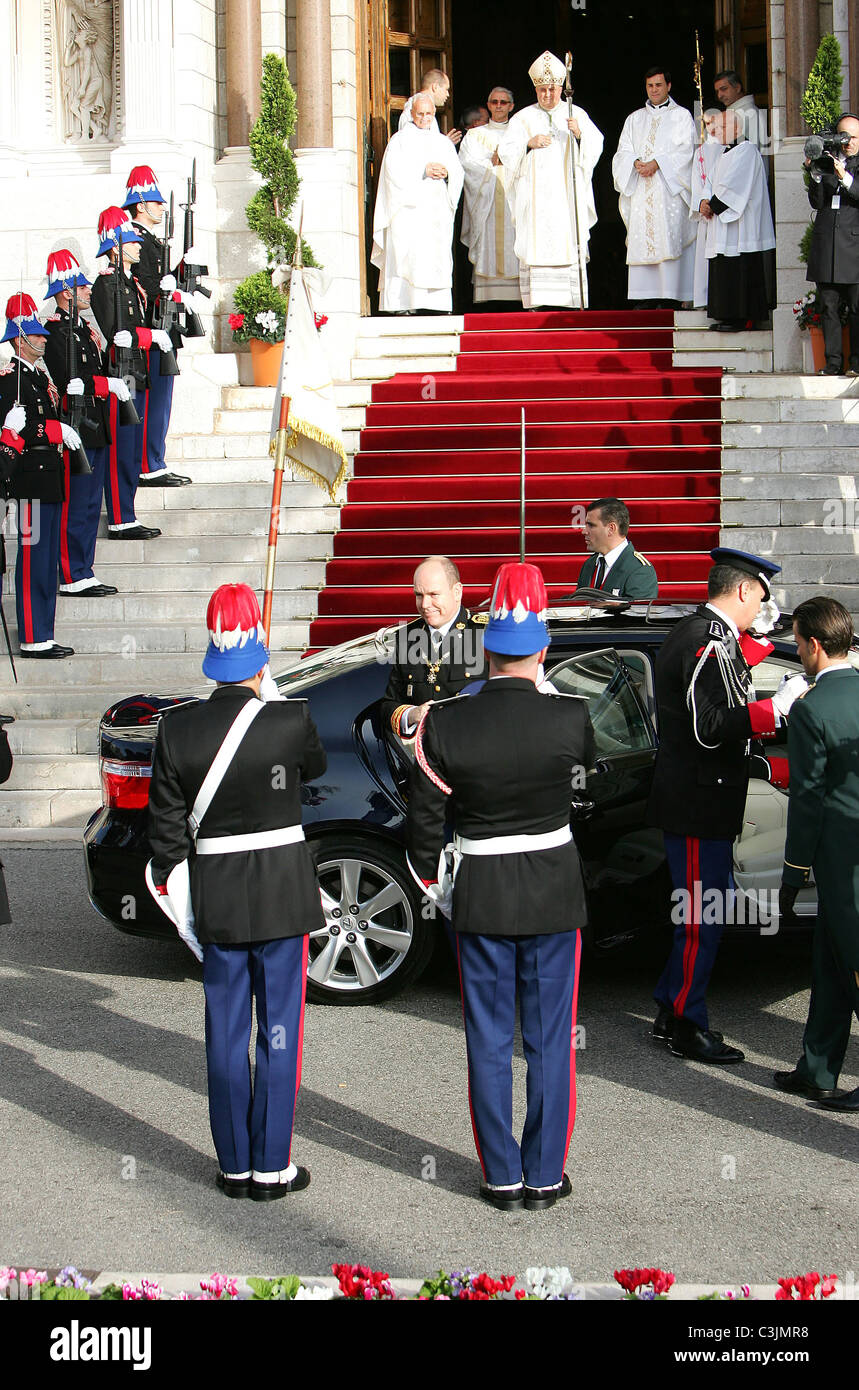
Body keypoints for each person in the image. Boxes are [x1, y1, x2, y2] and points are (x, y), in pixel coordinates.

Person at [406, 562, 594, 1211]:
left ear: (485, 647)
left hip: (481, 890)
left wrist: (435, 887)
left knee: (487, 1037)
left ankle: (501, 1176)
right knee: (550, 1040)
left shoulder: (445, 721)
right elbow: (585, 784)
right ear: (542, 649)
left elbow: (424, 825)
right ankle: (544, 1176)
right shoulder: (572, 715)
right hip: (551, 891)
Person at [147, 583, 327, 1198]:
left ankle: (233, 1165)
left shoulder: (176, 730)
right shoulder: (289, 718)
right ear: (259, 652)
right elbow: (317, 768)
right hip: (282, 894)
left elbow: (166, 838)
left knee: (225, 1032)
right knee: (279, 1032)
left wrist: (185, 909)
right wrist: (271, 696)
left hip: (220, 896)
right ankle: (271, 1164)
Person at [646, 548, 807, 1063]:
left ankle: (671, 1008)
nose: (762, 605)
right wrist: (771, 710)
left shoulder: (710, 636)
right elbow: (709, 725)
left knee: (699, 914)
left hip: (701, 798)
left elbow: (726, 674)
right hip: (699, 802)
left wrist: (762, 650)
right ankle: (688, 1026)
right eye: (761, 595)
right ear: (742, 591)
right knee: (702, 918)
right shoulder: (707, 641)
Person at [774, 596, 859, 1111]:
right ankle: (818, 1069)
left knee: (853, 961)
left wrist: (792, 872)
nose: (799, 651)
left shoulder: (810, 710)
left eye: (800, 642)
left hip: (838, 857)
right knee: (830, 963)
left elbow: (807, 799)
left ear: (816, 645)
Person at [42, 250, 122, 599]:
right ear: (65, 292)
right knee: (76, 503)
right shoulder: (55, 331)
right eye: (80, 285)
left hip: (95, 423)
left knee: (91, 504)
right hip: (76, 424)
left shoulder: (83, 328)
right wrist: (104, 386)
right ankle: (71, 571)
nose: (88, 290)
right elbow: (68, 378)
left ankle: (84, 568)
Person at [0, 293, 75, 658]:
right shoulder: (9, 379)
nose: (43, 337)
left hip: (49, 477)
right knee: (33, 559)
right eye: (35, 334)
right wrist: (56, 430)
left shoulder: (35, 376)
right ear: (19, 339)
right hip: (30, 480)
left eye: (43, 333)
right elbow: (18, 428)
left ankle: (44, 631)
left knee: (46, 562)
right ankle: (32, 633)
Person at [499, 52, 603, 309]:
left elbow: (595, 145)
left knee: (566, 239)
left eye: (553, 89)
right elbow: (505, 152)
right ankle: (538, 301)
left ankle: (570, 300)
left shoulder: (575, 113)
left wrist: (579, 135)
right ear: (535, 89)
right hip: (535, 199)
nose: (547, 95)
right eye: (542, 89)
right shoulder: (523, 118)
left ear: (561, 88)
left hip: (566, 197)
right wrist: (528, 144)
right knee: (536, 241)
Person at [90, 206, 169, 540]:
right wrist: (150, 337)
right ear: (115, 246)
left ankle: (128, 513)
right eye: (131, 242)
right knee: (121, 449)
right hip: (121, 373)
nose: (138, 246)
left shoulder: (129, 281)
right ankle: (120, 518)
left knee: (132, 445)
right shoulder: (107, 284)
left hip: (135, 372)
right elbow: (116, 332)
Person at [123, 165, 191, 488]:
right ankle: (149, 463)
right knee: (153, 402)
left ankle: (156, 458)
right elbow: (144, 285)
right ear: (140, 205)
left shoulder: (150, 240)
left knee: (162, 401)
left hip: (164, 331)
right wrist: (164, 286)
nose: (162, 207)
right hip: (152, 332)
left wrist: (181, 269)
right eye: (155, 202)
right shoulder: (135, 240)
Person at [371, 95, 464, 314]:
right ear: (411, 114)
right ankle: (404, 304)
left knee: (434, 255)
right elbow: (392, 174)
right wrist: (423, 171)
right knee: (408, 254)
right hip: (408, 210)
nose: (424, 118)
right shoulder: (399, 140)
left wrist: (448, 173)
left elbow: (458, 172)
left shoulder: (443, 142)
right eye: (420, 113)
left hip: (436, 210)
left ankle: (437, 303)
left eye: (429, 114)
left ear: (434, 114)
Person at [612, 67, 697, 306]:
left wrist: (658, 163)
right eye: (650, 86)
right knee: (643, 238)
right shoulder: (634, 118)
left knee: (667, 236)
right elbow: (622, 151)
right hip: (641, 188)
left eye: (659, 85)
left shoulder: (681, 116)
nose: (654, 90)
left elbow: (686, 150)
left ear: (668, 86)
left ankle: (670, 296)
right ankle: (645, 297)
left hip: (666, 190)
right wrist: (635, 162)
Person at [381, 555, 487, 740]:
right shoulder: (408, 637)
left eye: (433, 595)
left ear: (457, 591)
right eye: (419, 595)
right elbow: (388, 705)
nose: (424, 605)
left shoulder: (485, 634)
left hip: (475, 753)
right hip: (425, 757)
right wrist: (413, 714)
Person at [697, 110, 775, 331]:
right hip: (722, 224)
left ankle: (742, 317)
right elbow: (710, 181)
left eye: (721, 127)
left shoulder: (747, 150)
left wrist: (713, 204)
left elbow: (734, 184)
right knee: (724, 268)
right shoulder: (724, 153)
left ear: (737, 129)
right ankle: (726, 315)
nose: (714, 131)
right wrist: (703, 200)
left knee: (739, 268)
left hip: (741, 226)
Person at [804, 112, 859, 376]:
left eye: (853, 137)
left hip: (854, 247)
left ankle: (857, 364)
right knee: (828, 306)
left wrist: (844, 176)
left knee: (857, 307)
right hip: (828, 246)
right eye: (844, 136)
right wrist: (814, 172)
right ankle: (833, 362)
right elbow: (817, 202)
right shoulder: (828, 162)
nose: (848, 142)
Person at [459, 86, 520, 304]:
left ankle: (519, 297)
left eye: (504, 102)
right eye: (494, 102)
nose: (499, 106)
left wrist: (506, 160)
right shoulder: (475, 135)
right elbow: (466, 165)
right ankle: (490, 298)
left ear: (511, 106)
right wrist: (491, 162)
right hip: (488, 202)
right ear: (488, 105)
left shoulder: (521, 132)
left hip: (514, 199)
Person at [575, 497, 658, 599]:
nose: (584, 531)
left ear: (611, 529)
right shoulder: (590, 564)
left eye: (591, 525)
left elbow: (638, 613)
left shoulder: (640, 570)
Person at [690, 109, 724, 309]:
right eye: (707, 123)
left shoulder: (728, 147)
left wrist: (714, 203)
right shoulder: (700, 152)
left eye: (714, 122)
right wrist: (701, 203)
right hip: (706, 214)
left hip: (722, 211)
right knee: (703, 257)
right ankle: (703, 299)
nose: (710, 127)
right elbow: (695, 180)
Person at [399, 68, 462, 145]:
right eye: (446, 89)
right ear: (435, 87)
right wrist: (445, 144)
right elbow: (418, 146)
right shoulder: (415, 109)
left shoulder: (418, 106)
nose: (448, 94)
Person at [713, 69, 765, 149]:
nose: (720, 95)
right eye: (717, 92)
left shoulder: (750, 113)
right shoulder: (732, 112)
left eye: (724, 89)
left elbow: (752, 150)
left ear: (737, 88)